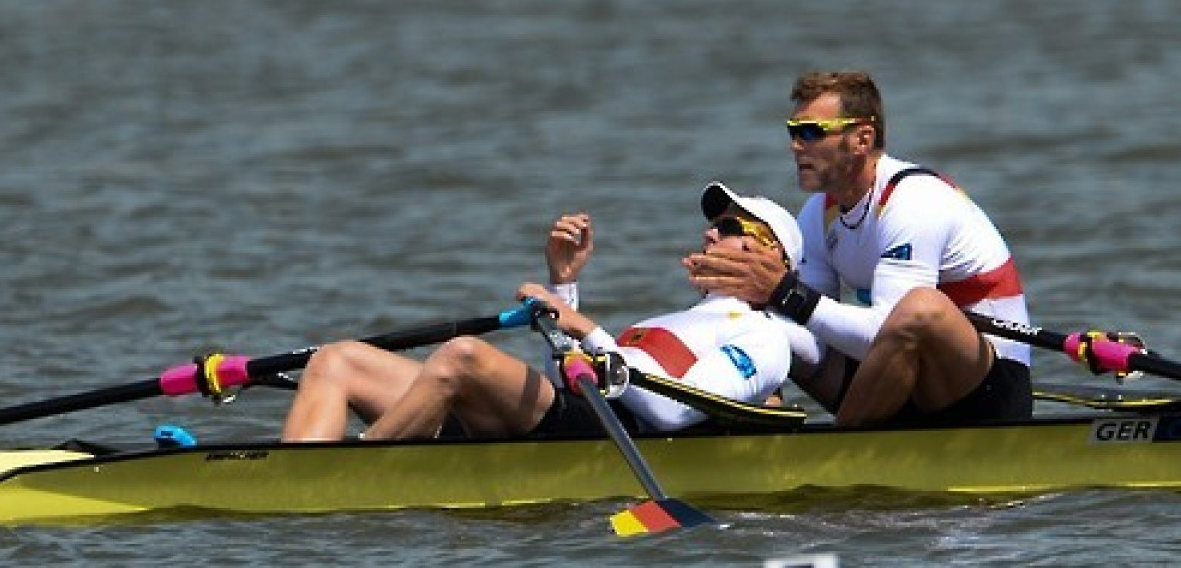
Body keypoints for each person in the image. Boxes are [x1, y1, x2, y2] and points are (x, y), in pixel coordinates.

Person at [281, 183, 818, 441]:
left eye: (729, 228)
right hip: (568, 415)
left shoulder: (765, 337)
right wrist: (566, 283)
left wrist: (586, 328)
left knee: (463, 355)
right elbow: (568, 378)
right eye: (713, 225)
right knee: (337, 359)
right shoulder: (671, 321)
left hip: (610, 436)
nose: (709, 234)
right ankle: (289, 480)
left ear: (772, 256)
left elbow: (675, 413)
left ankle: (346, 473)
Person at [684, 70, 1033, 427]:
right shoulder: (819, 214)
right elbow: (811, 323)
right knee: (768, 319)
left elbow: (882, 334)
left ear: (862, 139)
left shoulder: (915, 201)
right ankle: (746, 420)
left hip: (987, 390)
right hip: (901, 383)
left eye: (811, 132)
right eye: (793, 132)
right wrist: (749, 303)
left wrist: (782, 290)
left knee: (920, 309)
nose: (796, 146)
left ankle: (838, 450)